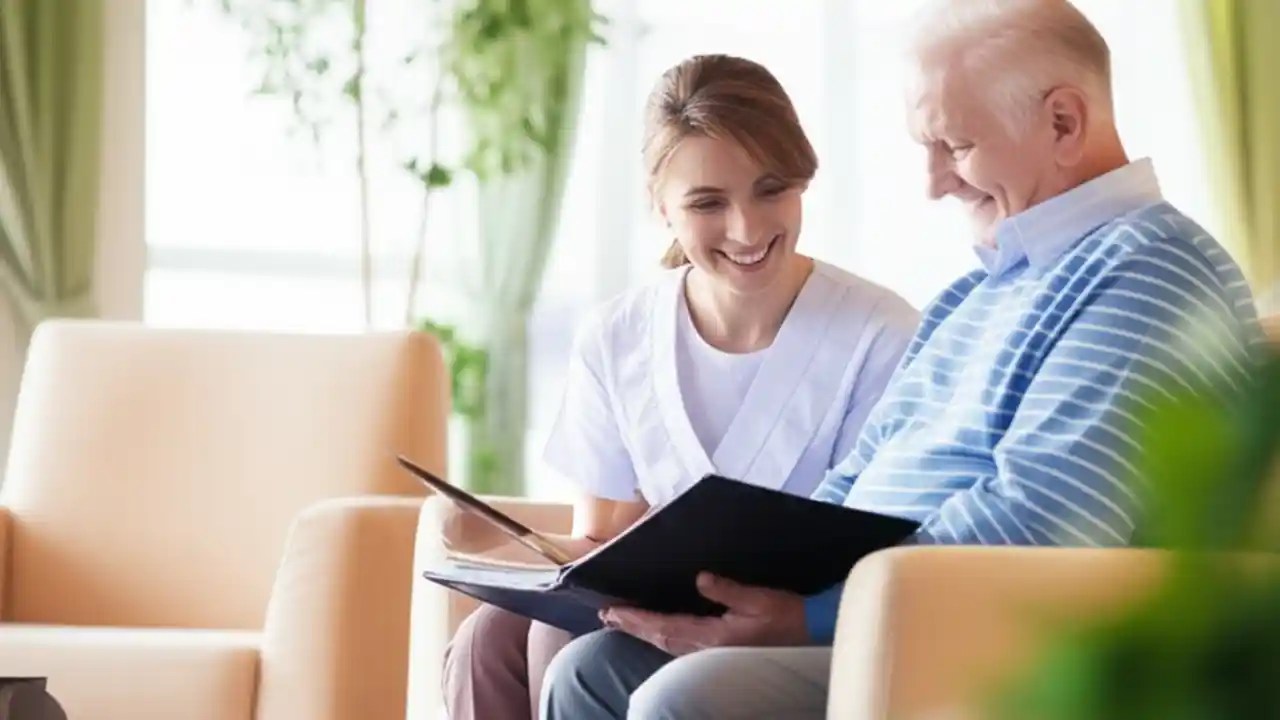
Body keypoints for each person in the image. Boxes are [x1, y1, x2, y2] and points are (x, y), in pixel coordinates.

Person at [539, 1, 1263, 718]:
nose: (935, 182)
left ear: (1063, 123)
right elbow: (857, 477)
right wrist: (743, 584)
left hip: (978, 640)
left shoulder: (1148, 271)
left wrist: (809, 615)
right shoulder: (977, 291)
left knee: (682, 695)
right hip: (874, 614)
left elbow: (1042, 520)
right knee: (592, 669)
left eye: (955, 145)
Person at [437, 53, 921, 720]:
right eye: (708, 203)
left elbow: (887, 545)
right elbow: (600, 540)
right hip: (657, 607)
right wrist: (490, 566)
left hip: (784, 628)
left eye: (771, 189)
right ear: (660, 206)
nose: (748, 229)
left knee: (558, 638)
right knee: (486, 638)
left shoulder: (879, 333)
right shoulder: (618, 335)